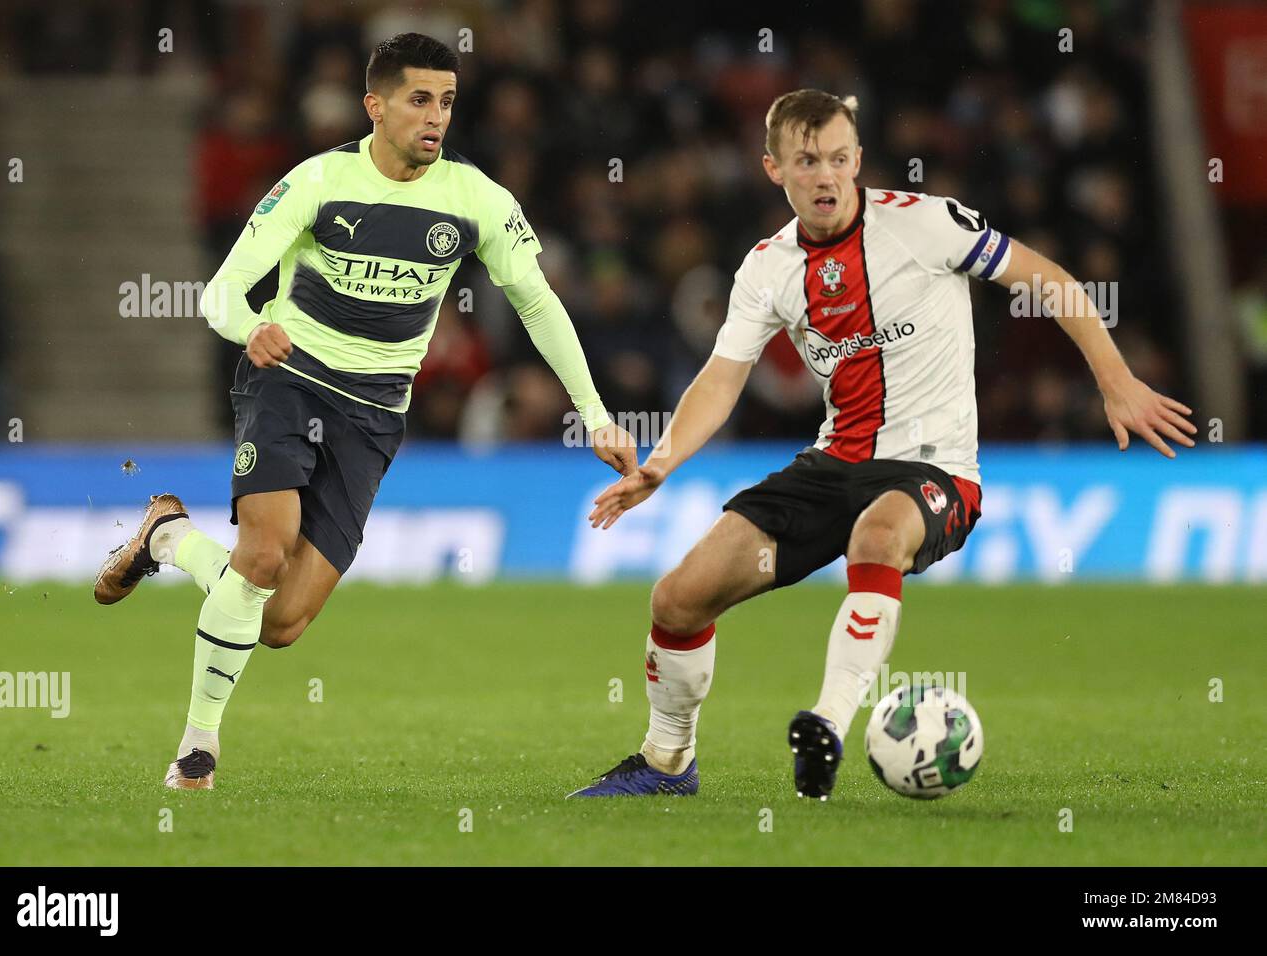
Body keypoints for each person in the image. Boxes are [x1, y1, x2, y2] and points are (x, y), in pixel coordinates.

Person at [571, 90, 1195, 800]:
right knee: (678, 600)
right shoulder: (768, 267)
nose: (826, 176)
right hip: (832, 465)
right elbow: (721, 378)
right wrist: (660, 463)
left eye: (839, 159)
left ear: (859, 160)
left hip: (937, 470)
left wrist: (1115, 382)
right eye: (807, 162)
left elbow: (1046, 279)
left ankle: (828, 725)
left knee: (877, 537)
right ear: (774, 168)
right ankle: (666, 762)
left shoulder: (926, 225)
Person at [94, 33, 636, 790]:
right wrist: (255, 328)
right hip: (289, 378)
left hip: (374, 415)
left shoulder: (477, 199)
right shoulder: (316, 182)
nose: (435, 117)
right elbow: (220, 294)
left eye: (447, 101)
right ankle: (198, 749)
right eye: (419, 99)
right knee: (263, 550)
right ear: (374, 106)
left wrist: (595, 412)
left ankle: (169, 538)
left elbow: (536, 300)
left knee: (280, 623)